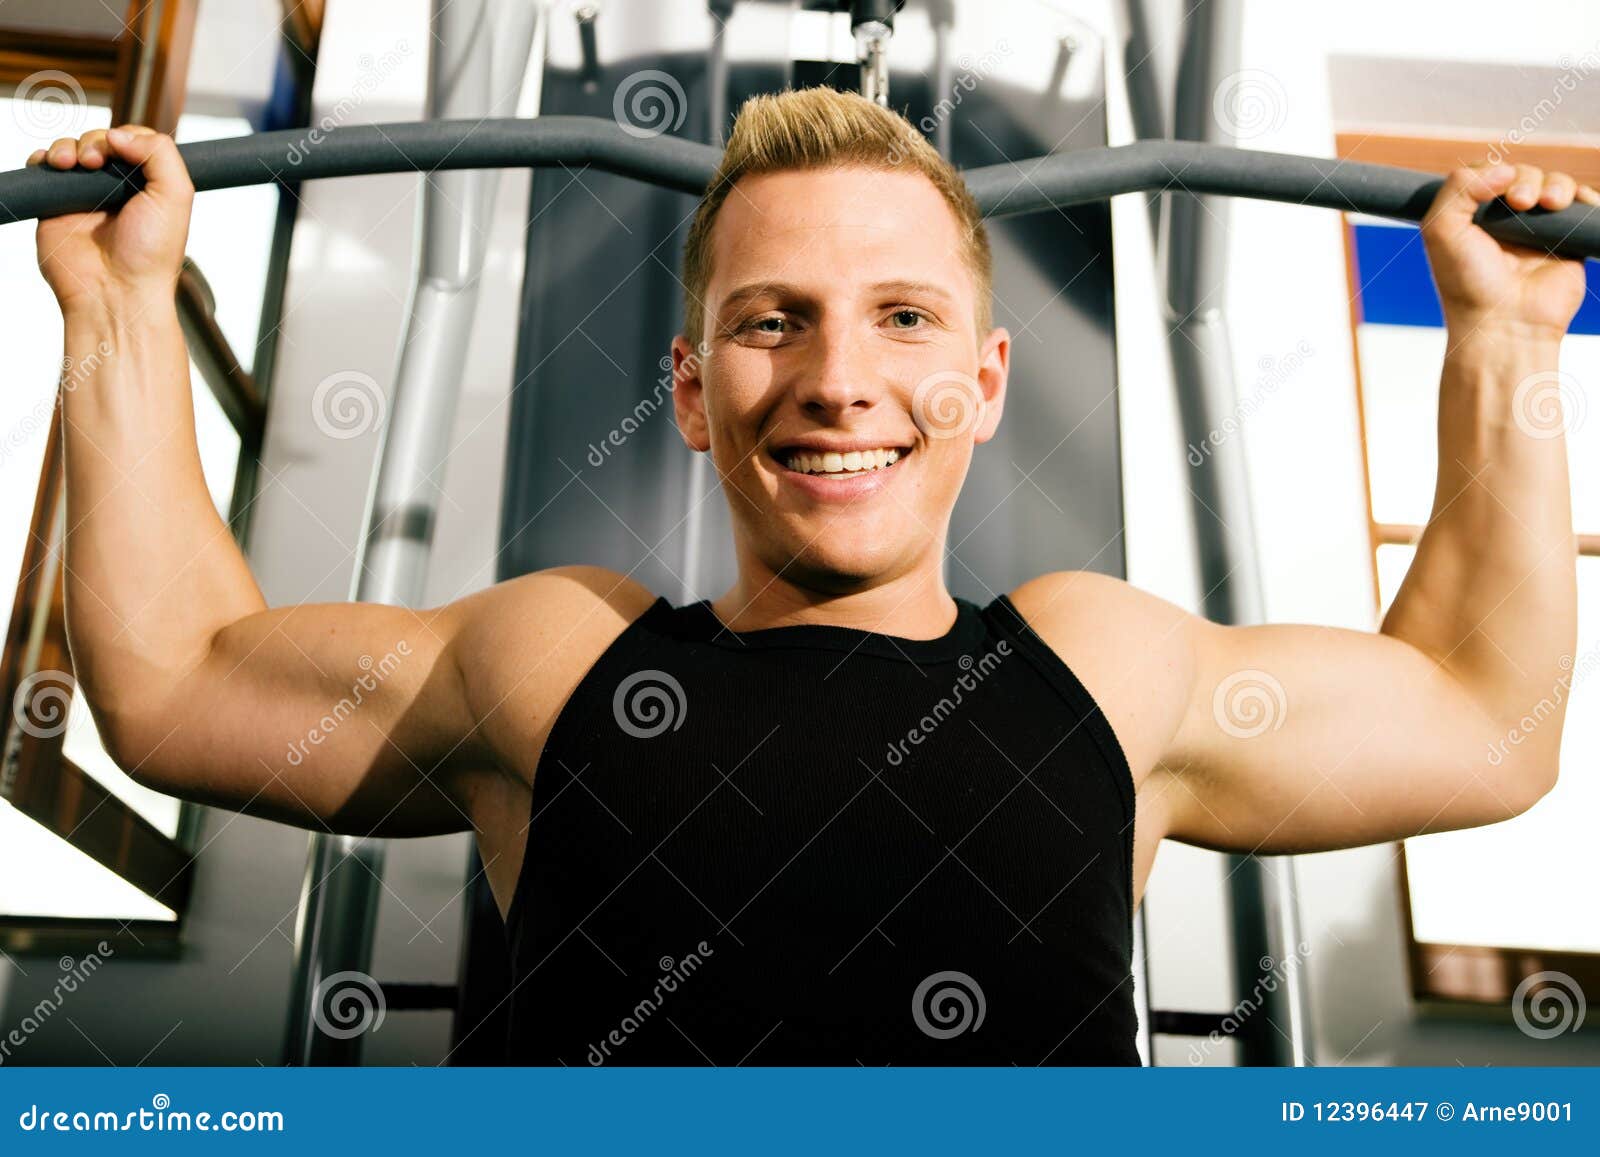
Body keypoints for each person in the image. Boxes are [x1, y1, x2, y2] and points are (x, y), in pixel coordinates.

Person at [28, 87, 1592, 1064]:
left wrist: (1511, 340)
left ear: (980, 383)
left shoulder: (1106, 671)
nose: (839, 381)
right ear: (694, 389)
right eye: (774, 319)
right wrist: (118, 308)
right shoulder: (551, 656)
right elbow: (174, 681)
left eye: (902, 317)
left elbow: (1481, 719)